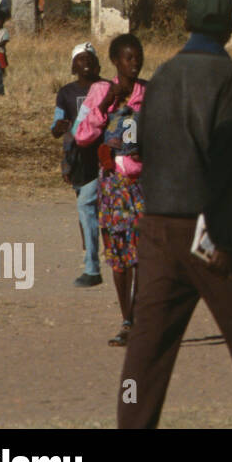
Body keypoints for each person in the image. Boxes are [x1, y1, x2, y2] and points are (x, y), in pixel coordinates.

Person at [120, 0, 232, 429]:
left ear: (187, 22)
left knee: (145, 357)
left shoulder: (160, 79)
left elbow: (145, 153)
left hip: (156, 229)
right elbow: (231, 167)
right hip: (208, 232)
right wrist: (226, 237)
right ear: (231, 23)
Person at [75, 34, 147, 346]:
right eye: (128, 59)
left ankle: (142, 319)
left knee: (143, 254)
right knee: (119, 255)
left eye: (138, 58)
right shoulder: (100, 91)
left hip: (145, 184)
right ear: (115, 61)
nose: (134, 64)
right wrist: (106, 103)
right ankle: (127, 318)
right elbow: (82, 135)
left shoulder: (150, 93)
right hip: (113, 186)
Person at [53, 42, 108, 288]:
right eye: (80, 58)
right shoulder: (66, 93)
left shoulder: (107, 88)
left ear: (97, 65)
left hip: (103, 155)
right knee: (85, 208)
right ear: (73, 65)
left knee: (86, 203)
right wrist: (59, 127)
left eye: (90, 58)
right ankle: (90, 245)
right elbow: (56, 125)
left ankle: (92, 266)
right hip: (78, 157)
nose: (85, 62)